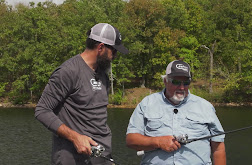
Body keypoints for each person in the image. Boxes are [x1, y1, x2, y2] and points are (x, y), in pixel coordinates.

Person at [35, 23, 129, 165]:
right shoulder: (68, 72)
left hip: (102, 156)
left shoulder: (103, 73)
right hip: (71, 157)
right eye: (114, 51)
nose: (115, 56)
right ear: (101, 47)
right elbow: (42, 110)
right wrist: (75, 138)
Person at [126, 60, 226, 165]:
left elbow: (218, 147)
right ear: (165, 81)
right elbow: (131, 140)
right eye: (176, 82)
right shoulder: (147, 104)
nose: (182, 87)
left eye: (186, 83)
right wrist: (158, 142)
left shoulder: (205, 106)